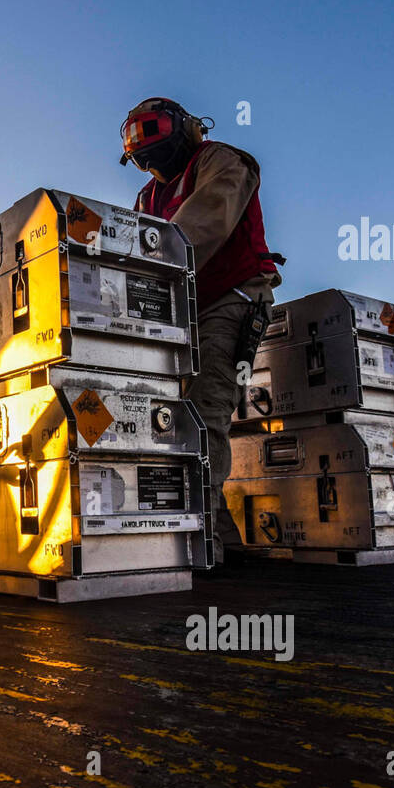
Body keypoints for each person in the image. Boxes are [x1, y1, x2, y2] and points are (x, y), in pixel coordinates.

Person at [120, 97, 284, 568]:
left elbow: (201, 223)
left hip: (233, 300)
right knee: (169, 418)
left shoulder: (222, 162)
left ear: (186, 129)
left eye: (154, 131)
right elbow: (132, 241)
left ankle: (199, 538)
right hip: (179, 313)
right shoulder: (146, 197)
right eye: (137, 142)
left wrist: (144, 264)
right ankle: (222, 535)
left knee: (206, 409)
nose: (146, 152)